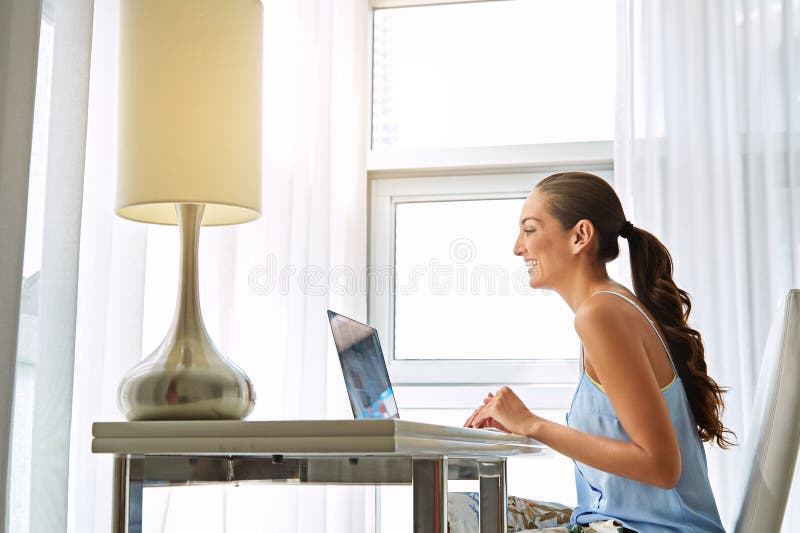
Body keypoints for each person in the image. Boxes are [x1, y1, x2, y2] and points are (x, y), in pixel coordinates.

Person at [464, 172, 733, 532]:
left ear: (580, 236)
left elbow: (661, 466)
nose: (517, 247)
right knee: (474, 509)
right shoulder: (610, 306)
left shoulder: (601, 314)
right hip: (623, 523)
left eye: (529, 230)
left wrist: (532, 423)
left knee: (463, 514)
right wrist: (522, 425)